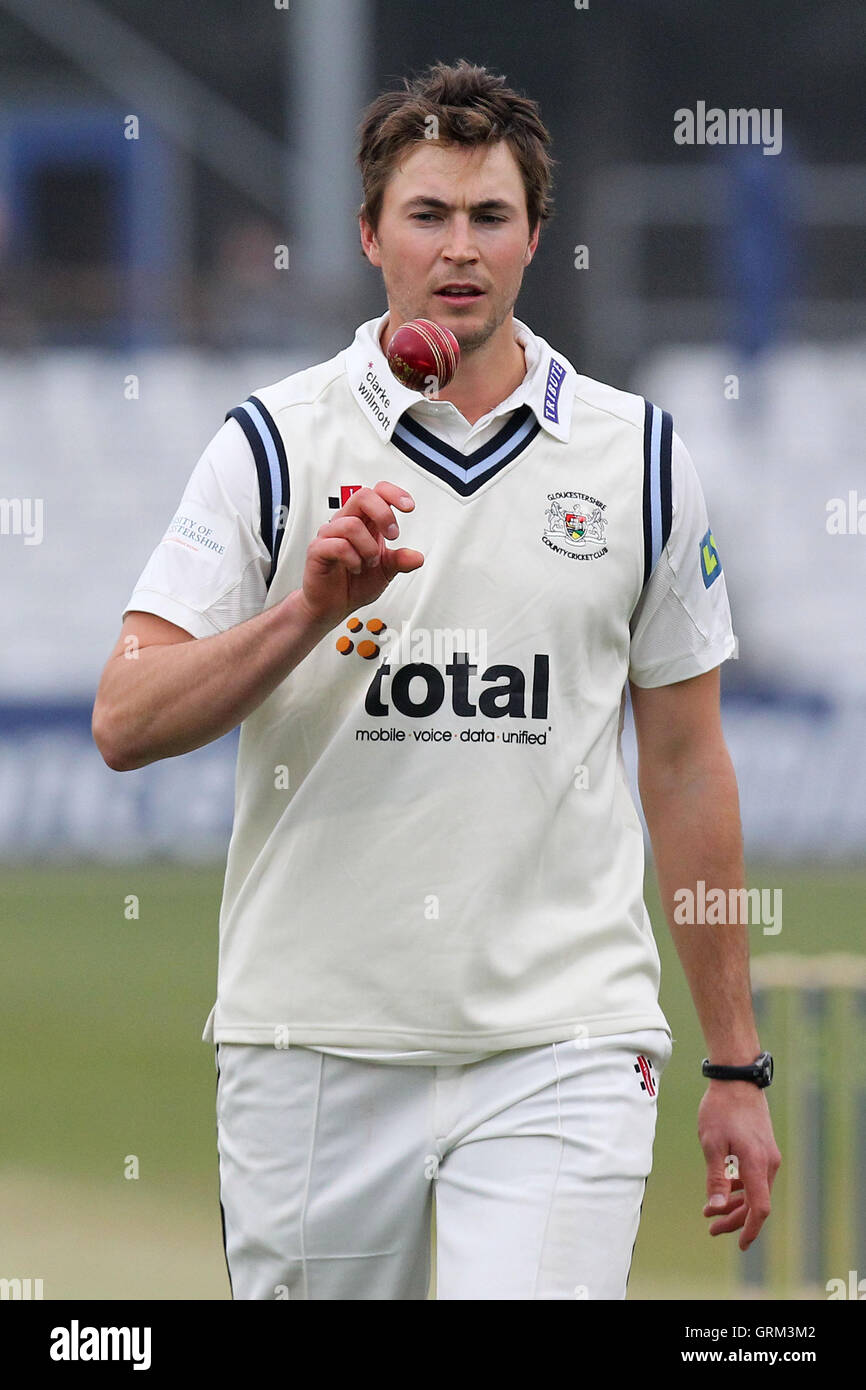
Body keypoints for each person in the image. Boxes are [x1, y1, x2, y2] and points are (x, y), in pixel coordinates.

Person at [92, 59, 781, 1301]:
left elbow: (685, 763)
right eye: (426, 215)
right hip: (309, 1047)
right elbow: (126, 719)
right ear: (367, 235)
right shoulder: (271, 441)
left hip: (562, 1043)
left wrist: (734, 1066)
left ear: (532, 238)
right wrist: (307, 611)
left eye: (488, 217)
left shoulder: (638, 454)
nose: (456, 250)